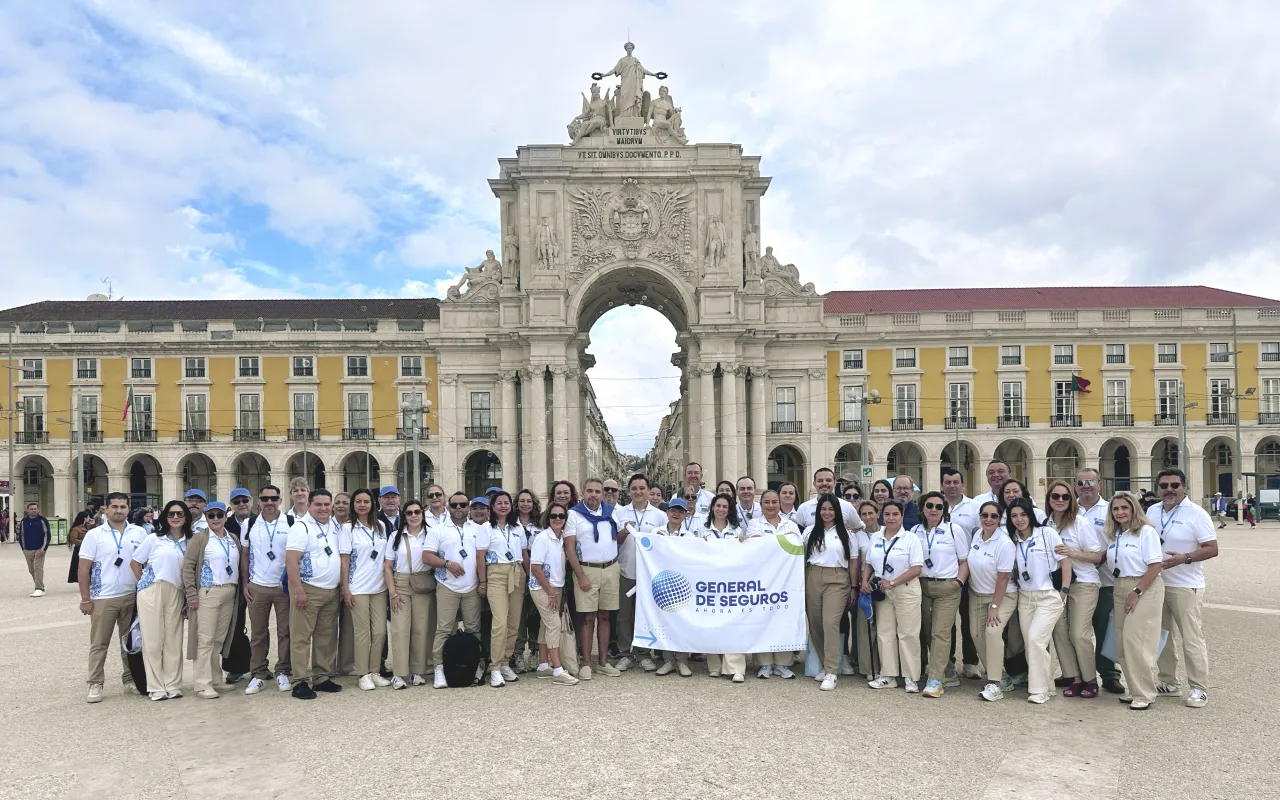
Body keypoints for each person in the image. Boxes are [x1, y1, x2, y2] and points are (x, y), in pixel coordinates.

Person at [1151, 468, 1217, 708]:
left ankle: (1199, 688)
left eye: (1174, 485)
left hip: (1185, 584)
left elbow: (1212, 548)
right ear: (1158, 488)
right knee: (1162, 637)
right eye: (1164, 485)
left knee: (1191, 638)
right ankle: (1168, 682)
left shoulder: (1197, 514)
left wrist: (1185, 557)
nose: (1169, 490)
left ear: (1184, 487)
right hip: (1157, 583)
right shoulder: (1152, 510)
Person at [78, 492, 147, 703]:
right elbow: (83, 569)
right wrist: (85, 598)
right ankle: (95, 682)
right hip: (103, 597)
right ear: (106, 509)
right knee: (99, 642)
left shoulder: (140, 532)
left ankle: (131, 679)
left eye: (123, 507)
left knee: (131, 642)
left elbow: (146, 563)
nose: (119, 511)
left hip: (131, 595)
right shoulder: (95, 534)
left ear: (129, 509)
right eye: (114, 507)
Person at [1103, 492, 1165, 710]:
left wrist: (1137, 591)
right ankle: (1133, 688)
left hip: (1143, 586)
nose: (1120, 512)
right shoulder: (1116, 535)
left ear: (1133, 510)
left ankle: (1145, 692)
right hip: (1119, 586)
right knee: (1121, 641)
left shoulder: (1145, 532)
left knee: (1136, 641)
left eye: (1124, 508)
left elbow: (1156, 566)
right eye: (1116, 509)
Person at [1046, 480, 1105, 699]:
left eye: (1065, 497)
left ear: (1072, 499)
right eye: (1055, 496)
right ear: (1049, 500)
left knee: (1079, 633)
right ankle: (1075, 677)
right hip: (1056, 585)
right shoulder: (1045, 524)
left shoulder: (1080, 523)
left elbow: (1097, 556)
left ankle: (1090, 679)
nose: (1060, 500)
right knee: (1059, 632)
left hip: (1084, 583)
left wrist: (1072, 552)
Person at [1006, 497, 1068, 705]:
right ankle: (1047, 685)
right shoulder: (1011, 538)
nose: (1019, 519)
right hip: (1025, 597)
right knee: (1032, 643)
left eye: (1023, 514)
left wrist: (1064, 591)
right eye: (1014, 515)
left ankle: (1038, 690)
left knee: (1035, 639)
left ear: (1030, 515)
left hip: (1048, 596)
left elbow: (1064, 560)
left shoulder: (1047, 533)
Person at [285, 489, 344, 700]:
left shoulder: (334, 526)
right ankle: (300, 681)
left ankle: (321, 676)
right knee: (301, 637)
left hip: (331, 590)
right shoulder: (301, 527)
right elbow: (291, 560)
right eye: (318, 504)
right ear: (309, 505)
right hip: (308, 588)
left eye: (327, 504)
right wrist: (298, 590)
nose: (323, 508)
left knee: (325, 637)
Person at [131, 501, 192, 700]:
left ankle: (173, 684)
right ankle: (156, 686)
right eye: (171, 514)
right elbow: (135, 562)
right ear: (165, 516)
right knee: (153, 640)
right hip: (152, 589)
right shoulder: (154, 539)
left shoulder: (191, 541)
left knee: (174, 639)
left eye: (180, 514)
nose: (175, 517)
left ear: (185, 517)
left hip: (177, 591)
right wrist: (144, 582)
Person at [912, 490, 970, 697]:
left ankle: (935, 679)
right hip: (923, 586)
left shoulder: (954, 530)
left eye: (939, 506)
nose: (934, 510)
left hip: (947, 587)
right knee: (927, 631)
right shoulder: (915, 531)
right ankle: (948, 669)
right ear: (923, 508)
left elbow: (964, 560)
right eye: (930, 506)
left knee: (940, 632)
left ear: (944, 510)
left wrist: (958, 582)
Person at [180, 501, 241, 699]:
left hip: (229, 591)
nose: (216, 519)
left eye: (219, 514)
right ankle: (202, 683)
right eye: (211, 515)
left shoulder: (232, 538)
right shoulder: (200, 538)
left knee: (218, 639)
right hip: (208, 591)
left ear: (225, 516)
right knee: (205, 639)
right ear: (206, 517)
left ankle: (216, 678)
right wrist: (191, 594)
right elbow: (188, 567)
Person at [862, 500, 924, 692]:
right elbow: (869, 563)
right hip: (883, 590)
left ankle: (911, 677)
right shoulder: (876, 538)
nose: (891, 518)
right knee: (885, 632)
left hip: (905, 589)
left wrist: (893, 582)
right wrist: (865, 581)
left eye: (895, 514)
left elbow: (916, 568)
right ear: (882, 516)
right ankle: (888, 675)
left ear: (901, 516)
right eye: (887, 514)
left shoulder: (910, 539)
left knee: (908, 633)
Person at [424, 492, 484, 689]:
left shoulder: (478, 529)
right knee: (444, 628)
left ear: (469, 507)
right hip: (448, 586)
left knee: (473, 629)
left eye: (463, 505)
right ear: (448, 508)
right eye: (455, 505)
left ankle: (474, 666)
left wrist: (483, 582)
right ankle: (440, 667)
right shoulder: (438, 530)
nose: (459, 509)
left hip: (472, 586)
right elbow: (427, 556)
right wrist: (447, 563)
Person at [239, 484, 295, 695]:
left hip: (283, 587)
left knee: (285, 632)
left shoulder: (291, 522)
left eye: (273, 499)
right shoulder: (249, 523)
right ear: (259, 501)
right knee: (258, 633)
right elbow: (245, 554)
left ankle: (283, 670)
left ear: (280, 500)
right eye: (265, 499)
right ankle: (258, 673)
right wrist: (246, 583)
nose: (269, 503)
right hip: (258, 585)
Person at [803, 495, 860, 692]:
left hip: (837, 578)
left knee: (830, 622)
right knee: (816, 623)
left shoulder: (847, 534)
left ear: (837, 511)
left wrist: (854, 586)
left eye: (831, 509)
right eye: (823, 509)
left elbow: (853, 561)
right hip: (813, 575)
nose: (827, 513)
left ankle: (831, 672)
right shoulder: (810, 531)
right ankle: (824, 662)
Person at [1074, 467, 1123, 694]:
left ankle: (1109, 673)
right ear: (1075, 485)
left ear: (1099, 484)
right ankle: (1078, 674)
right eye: (1081, 482)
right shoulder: (1068, 508)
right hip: (1078, 579)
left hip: (1105, 579)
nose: (1086, 487)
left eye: (1090, 482)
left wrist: (1101, 558)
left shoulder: (1109, 509)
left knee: (1104, 627)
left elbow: (1118, 539)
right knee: (1076, 630)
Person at [340, 487, 391, 691]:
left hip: (379, 587)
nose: (362, 505)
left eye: (366, 501)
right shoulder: (347, 528)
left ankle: (375, 670)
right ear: (354, 505)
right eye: (358, 501)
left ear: (372, 504)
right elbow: (344, 560)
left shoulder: (380, 526)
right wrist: (346, 589)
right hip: (358, 586)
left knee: (379, 631)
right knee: (362, 633)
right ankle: (362, 673)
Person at [748, 490, 803, 679]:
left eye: (774, 502)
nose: (770, 506)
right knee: (762, 619)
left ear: (780, 503)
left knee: (783, 620)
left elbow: (797, 547)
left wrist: (771, 544)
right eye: (766, 502)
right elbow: (756, 546)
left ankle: (783, 663)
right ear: (760, 505)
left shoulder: (791, 525)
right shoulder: (754, 524)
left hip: (786, 580)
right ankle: (764, 664)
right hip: (762, 580)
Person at [614, 474, 666, 672]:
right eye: (634, 488)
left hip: (649, 575)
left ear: (647, 490)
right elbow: (615, 540)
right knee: (623, 616)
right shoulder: (620, 513)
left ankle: (644, 653)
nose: (638, 492)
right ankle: (626, 653)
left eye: (641, 488)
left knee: (646, 615)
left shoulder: (659, 515)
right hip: (626, 571)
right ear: (629, 491)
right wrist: (625, 532)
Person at [478, 491, 529, 687]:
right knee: (499, 622)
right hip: (496, 573)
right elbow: (480, 556)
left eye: (506, 503)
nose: (503, 506)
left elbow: (524, 555)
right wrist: (483, 582)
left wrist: (529, 576)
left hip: (517, 572)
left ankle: (506, 661)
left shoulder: (517, 528)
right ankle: (495, 666)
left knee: (514, 622)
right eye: (499, 503)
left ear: (511, 506)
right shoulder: (486, 528)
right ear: (492, 506)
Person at [968, 501, 1017, 701]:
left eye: (993, 516)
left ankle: (994, 684)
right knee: (977, 635)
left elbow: (1004, 578)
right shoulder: (976, 537)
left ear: (1000, 519)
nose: (988, 520)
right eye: (985, 515)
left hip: (1003, 595)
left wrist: (995, 606)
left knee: (992, 631)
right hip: (977, 594)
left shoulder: (1004, 543)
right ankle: (1001, 676)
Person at [527, 502, 580, 685]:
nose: (558, 519)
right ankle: (557, 669)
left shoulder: (562, 538)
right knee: (554, 625)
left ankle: (543, 665)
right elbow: (535, 568)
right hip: (543, 588)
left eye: (561, 516)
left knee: (546, 625)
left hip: (555, 587)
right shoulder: (543, 538)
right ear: (547, 518)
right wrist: (549, 592)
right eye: (554, 516)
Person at [384, 499, 433, 689]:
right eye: (409, 513)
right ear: (404, 516)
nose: (414, 516)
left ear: (422, 514)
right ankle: (399, 673)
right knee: (399, 629)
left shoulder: (430, 535)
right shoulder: (396, 536)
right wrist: (393, 592)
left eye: (417, 512)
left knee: (421, 629)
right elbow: (388, 566)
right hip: (401, 583)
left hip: (423, 584)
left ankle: (418, 671)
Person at [940, 467, 981, 679]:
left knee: (968, 617)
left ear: (962, 485)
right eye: (948, 482)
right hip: (945, 569)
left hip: (969, 569)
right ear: (942, 485)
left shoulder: (974, 507)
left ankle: (971, 662)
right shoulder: (936, 506)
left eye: (956, 482)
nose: (952, 486)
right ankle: (948, 662)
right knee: (946, 621)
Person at [652, 498, 696, 677]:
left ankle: (682, 660)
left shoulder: (691, 536)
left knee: (682, 622)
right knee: (665, 622)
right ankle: (668, 660)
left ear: (686, 515)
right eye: (673, 510)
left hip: (681, 584)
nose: (676, 514)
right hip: (662, 583)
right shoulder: (656, 532)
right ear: (667, 512)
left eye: (680, 511)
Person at [511, 488, 543, 672]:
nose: (525, 504)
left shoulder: (540, 524)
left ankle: (535, 650)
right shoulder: (511, 524)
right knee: (519, 613)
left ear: (534, 504)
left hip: (536, 570)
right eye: (522, 501)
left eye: (528, 501)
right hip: (517, 569)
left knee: (535, 612)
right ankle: (518, 652)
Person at [796, 467, 861, 529]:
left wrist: (853, 530)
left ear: (834, 483)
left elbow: (860, 528)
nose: (824, 483)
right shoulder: (803, 508)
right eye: (820, 481)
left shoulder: (847, 506)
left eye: (828, 480)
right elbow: (798, 533)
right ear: (814, 484)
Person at [19, 501, 51, 597]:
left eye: (35, 509)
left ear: (38, 510)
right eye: (31, 509)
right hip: (27, 549)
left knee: (38, 568)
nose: (33, 510)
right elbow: (21, 535)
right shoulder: (24, 521)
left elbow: (47, 534)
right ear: (27, 511)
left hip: (39, 549)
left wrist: (44, 548)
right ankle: (41, 585)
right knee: (31, 569)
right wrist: (23, 548)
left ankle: (39, 588)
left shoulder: (42, 520)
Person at [67, 510, 92, 584]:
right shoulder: (76, 529)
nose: (89, 518)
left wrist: (92, 524)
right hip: (79, 549)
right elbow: (73, 540)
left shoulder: (88, 527)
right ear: (84, 518)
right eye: (88, 517)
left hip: (88, 549)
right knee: (79, 566)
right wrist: (84, 542)